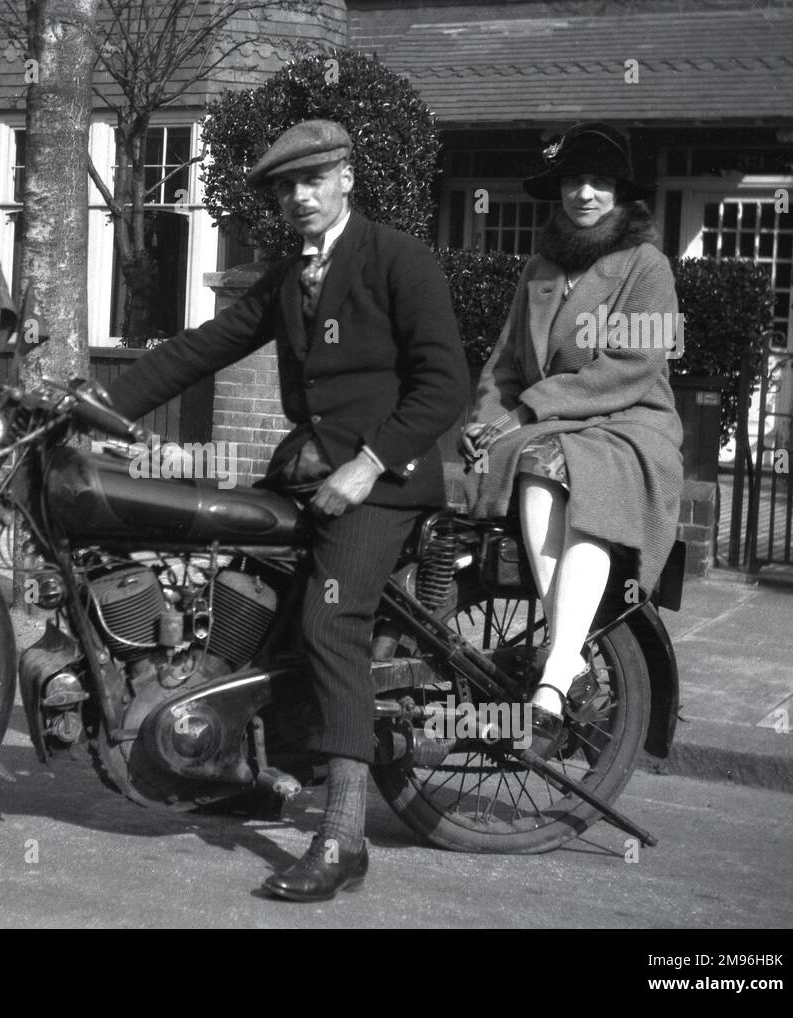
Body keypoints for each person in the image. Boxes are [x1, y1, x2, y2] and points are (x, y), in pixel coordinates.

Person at [106, 119, 468, 901]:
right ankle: (234, 762)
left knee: (330, 621)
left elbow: (446, 385)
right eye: (285, 187)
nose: (299, 197)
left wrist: (369, 466)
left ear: (345, 178)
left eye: (313, 180)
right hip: (309, 473)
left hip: (386, 480)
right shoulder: (283, 279)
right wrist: (93, 405)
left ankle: (342, 835)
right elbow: (198, 348)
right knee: (241, 571)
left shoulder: (400, 261)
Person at [460, 122, 683, 757]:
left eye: (599, 182)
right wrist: (488, 418)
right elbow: (504, 365)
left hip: (629, 419)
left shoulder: (646, 266)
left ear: (619, 192)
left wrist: (528, 410)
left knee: (571, 468)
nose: (585, 193)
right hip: (551, 425)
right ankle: (571, 665)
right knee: (536, 462)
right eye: (573, 182)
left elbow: (629, 368)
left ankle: (553, 682)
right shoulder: (539, 268)